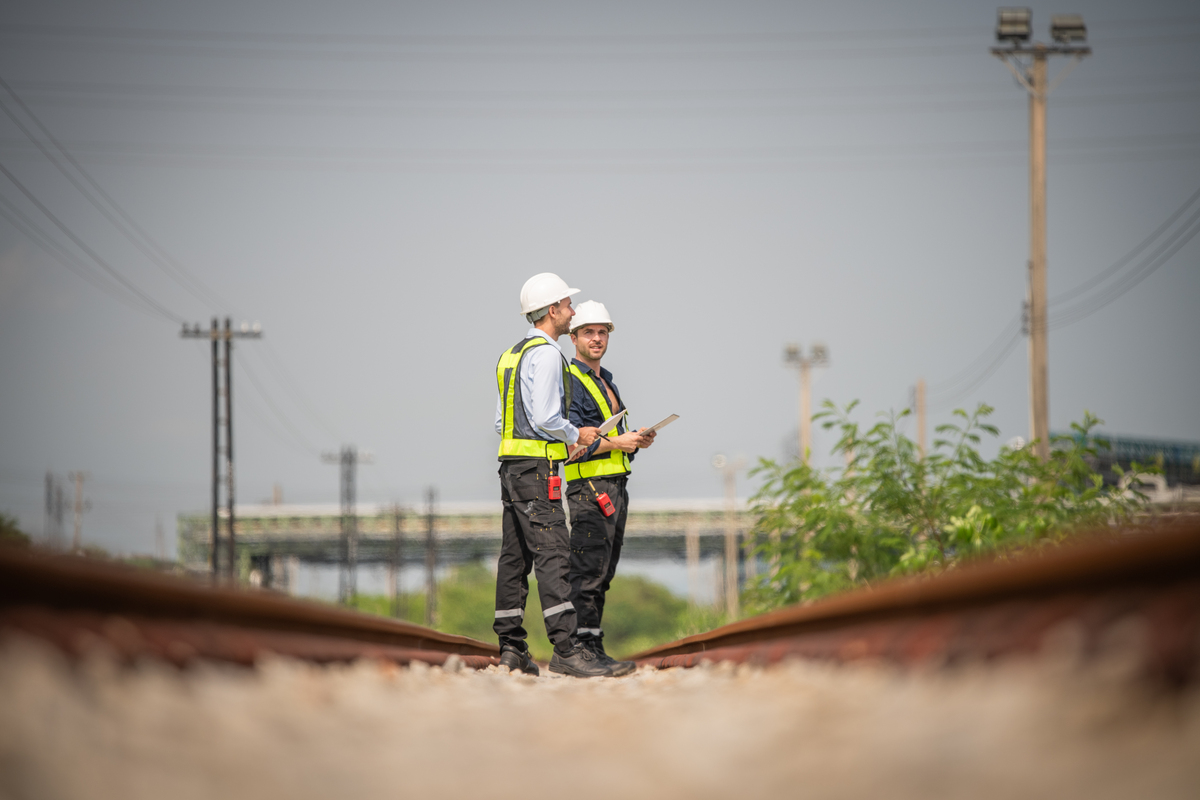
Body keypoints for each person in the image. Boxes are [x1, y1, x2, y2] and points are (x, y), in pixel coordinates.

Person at [493, 273, 614, 678]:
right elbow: (546, 417)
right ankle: (566, 648)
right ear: (551, 311)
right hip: (537, 469)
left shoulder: (511, 354)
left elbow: (501, 421)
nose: (572, 311)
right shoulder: (546, 354)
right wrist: (574, 433)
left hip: (510, 466)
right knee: (553, 553)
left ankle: (511, 648)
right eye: (566, 305)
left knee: (515, 557)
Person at [563, 301, 655, 676]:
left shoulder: (606, 380)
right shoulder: (569, 381)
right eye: (589, 332)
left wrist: (635, 441)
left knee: (603, 570)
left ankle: (593, 645)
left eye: (602, 332)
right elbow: (571, 445)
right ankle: (578, 649)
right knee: (587, 570)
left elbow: (610, 438)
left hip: (614, 485)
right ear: (574, 338)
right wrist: (619, 442)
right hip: (588, 486)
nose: (597, 338)